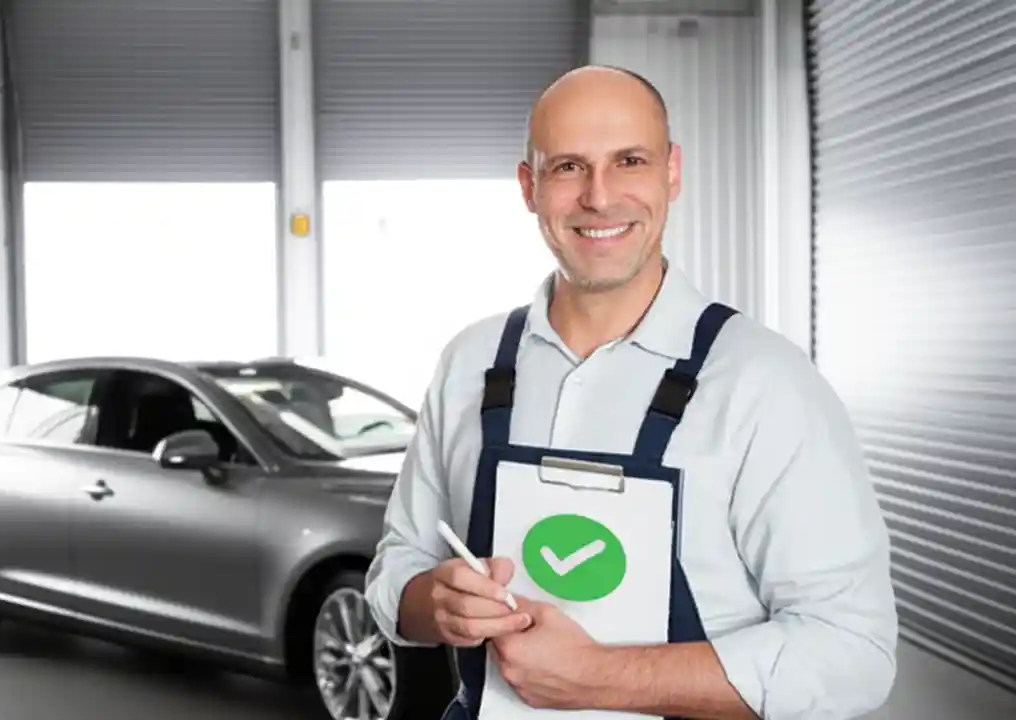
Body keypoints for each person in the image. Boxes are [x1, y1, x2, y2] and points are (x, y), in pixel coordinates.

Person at [364, 65, 898, 720]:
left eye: (629, 161)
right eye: (567, 167)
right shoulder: (469, 364)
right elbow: (397, 572)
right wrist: (436, 604)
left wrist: (604, 678)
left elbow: (851, 654)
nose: (599, 196)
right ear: (529, 188)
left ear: (671, 172)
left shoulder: (767, 383)